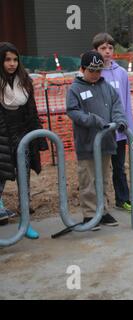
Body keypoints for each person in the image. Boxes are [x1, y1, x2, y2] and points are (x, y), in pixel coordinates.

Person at [66, 51, 128, 230]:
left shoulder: (106, 86)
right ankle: (90, 214)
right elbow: (73, 111)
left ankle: (103, 209)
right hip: (87, 143)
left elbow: (117, 104)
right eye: (91, 71)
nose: (95, 75)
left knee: (103, 179)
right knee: (88, 180)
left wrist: (119, 120)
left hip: (106, 141)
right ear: (82, 69)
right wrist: (92, 119)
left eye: (98, 71)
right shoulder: (75, 88)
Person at [0, 42, 48, 238]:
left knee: (24, 182)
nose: (12, 63)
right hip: (2, 138)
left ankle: (25, 222)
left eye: (15, 59)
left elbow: (32, 112)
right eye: (7, 59)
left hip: (23, 137)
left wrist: (38, 138)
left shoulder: (25, 81)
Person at [92, 32, 133, 212]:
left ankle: (122, 199)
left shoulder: (122, 73)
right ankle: (100, 204)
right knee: (100, 170)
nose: (107, 51)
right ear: (95, 50)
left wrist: (129, 129)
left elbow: (126, 102)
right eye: (103, 48)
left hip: (120, 132)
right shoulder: (93, 74)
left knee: (119, 168)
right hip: (101, 132)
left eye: (110, 48)